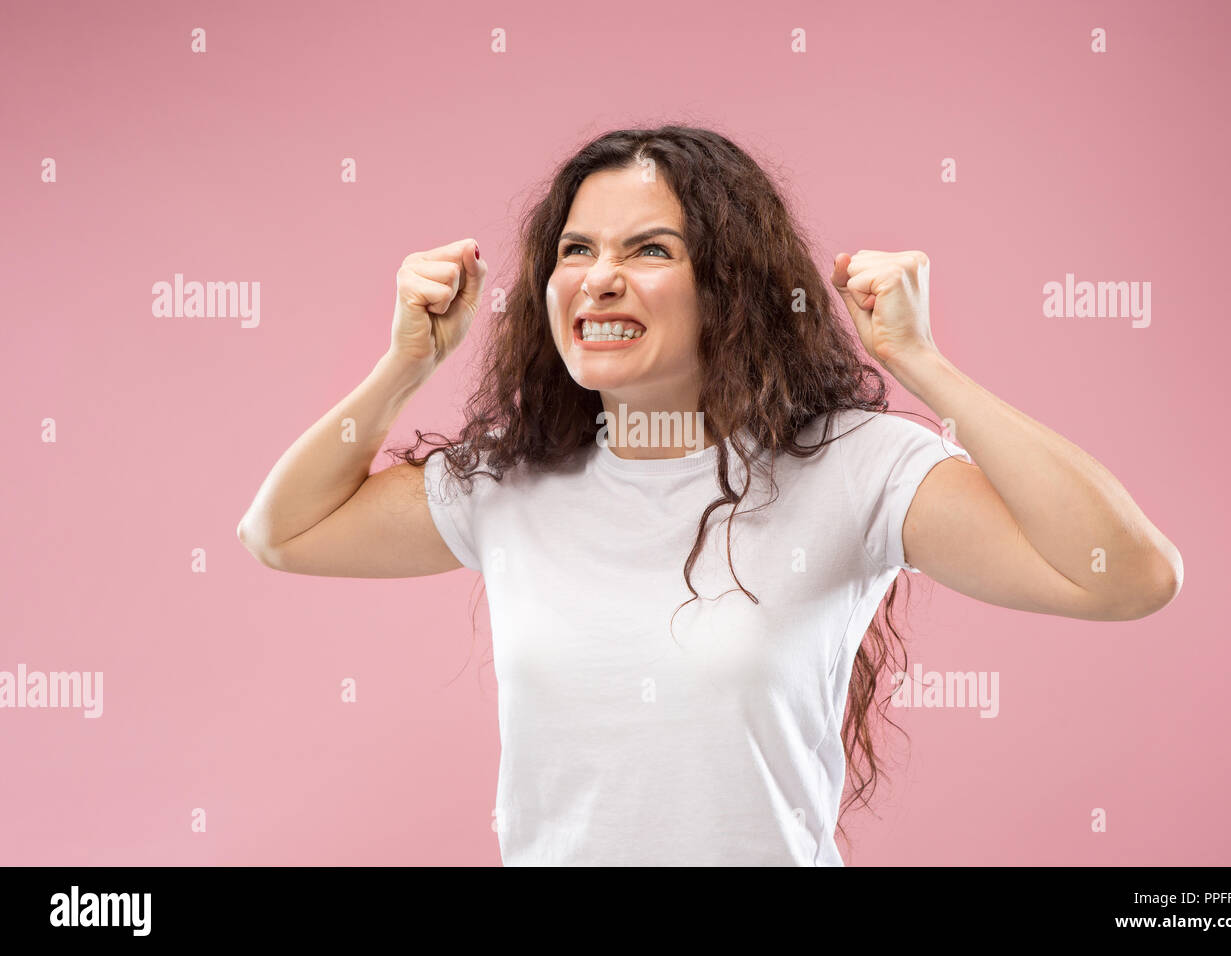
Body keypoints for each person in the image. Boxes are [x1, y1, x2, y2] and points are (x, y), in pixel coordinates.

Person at [236, 125, 1183, 866]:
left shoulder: (855, 466)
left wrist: (917, 362)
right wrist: (405, 363)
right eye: (575, 250)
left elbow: (1125, 576)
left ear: (730, 286)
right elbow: (282, 532)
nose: (599, 278)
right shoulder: (511, 480)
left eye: (650, 249)